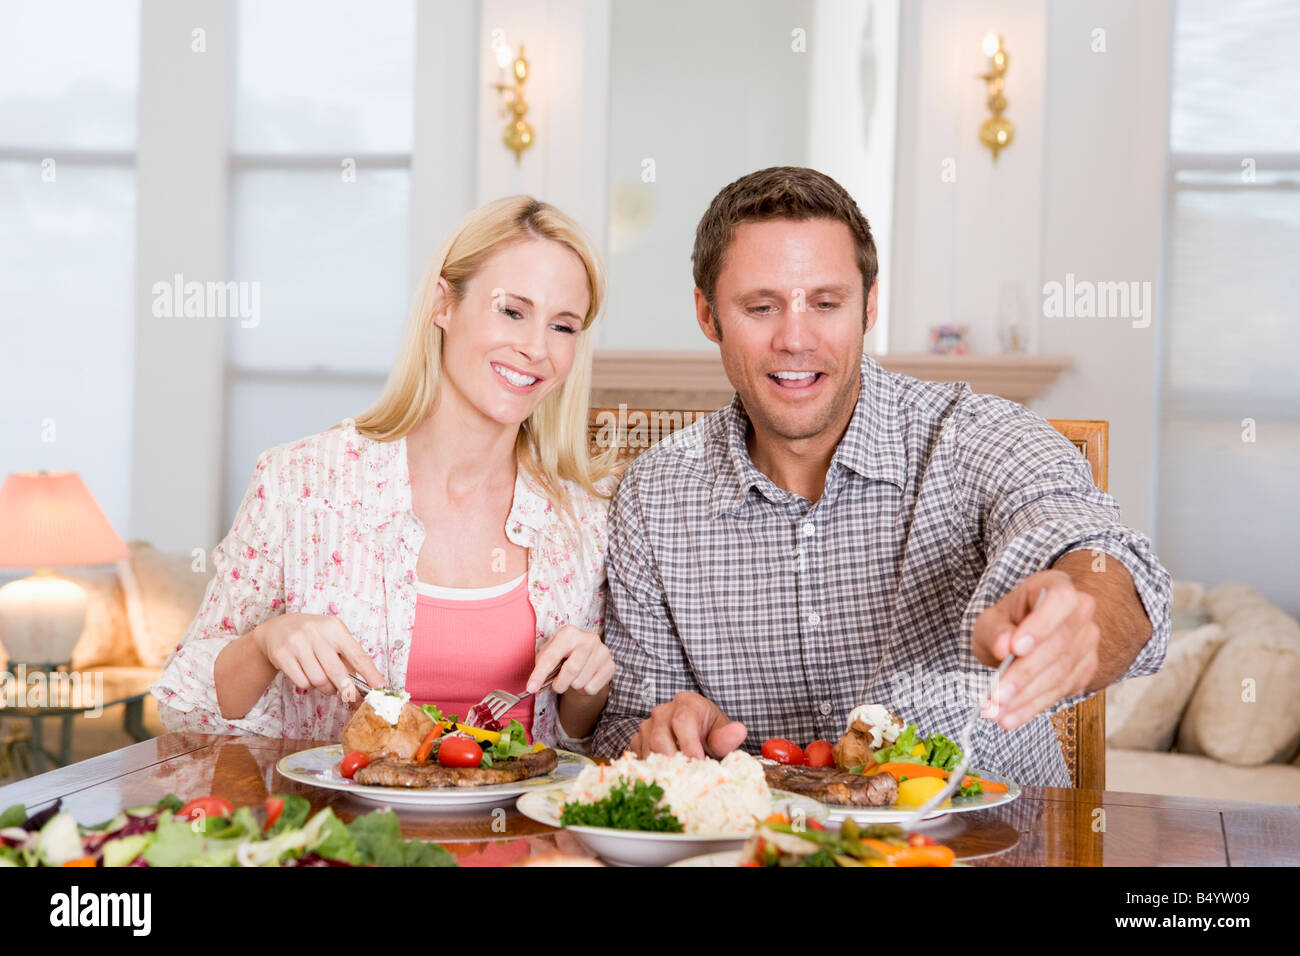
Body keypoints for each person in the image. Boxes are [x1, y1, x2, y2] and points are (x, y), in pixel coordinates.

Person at [591, 167, 1171, 786]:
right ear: (709, 316)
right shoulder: (653, 495)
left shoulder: (977, 435)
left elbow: (1102, 555)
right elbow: (623, 725)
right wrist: (665, 733)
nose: (795, 339)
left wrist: (1082, 612)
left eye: (826, 303)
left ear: (868, 306)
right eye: (761, 307)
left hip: (997, 835)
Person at [152, 196, 620, 751]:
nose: (536, 348)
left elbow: (580, 744)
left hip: (523, 810)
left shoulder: (586, 515)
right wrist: (265, 642)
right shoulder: (298, 483)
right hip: (336, 808)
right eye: (512, 312)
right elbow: (184, 707)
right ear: (444, 305)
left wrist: (587, 692)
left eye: (563, 326)